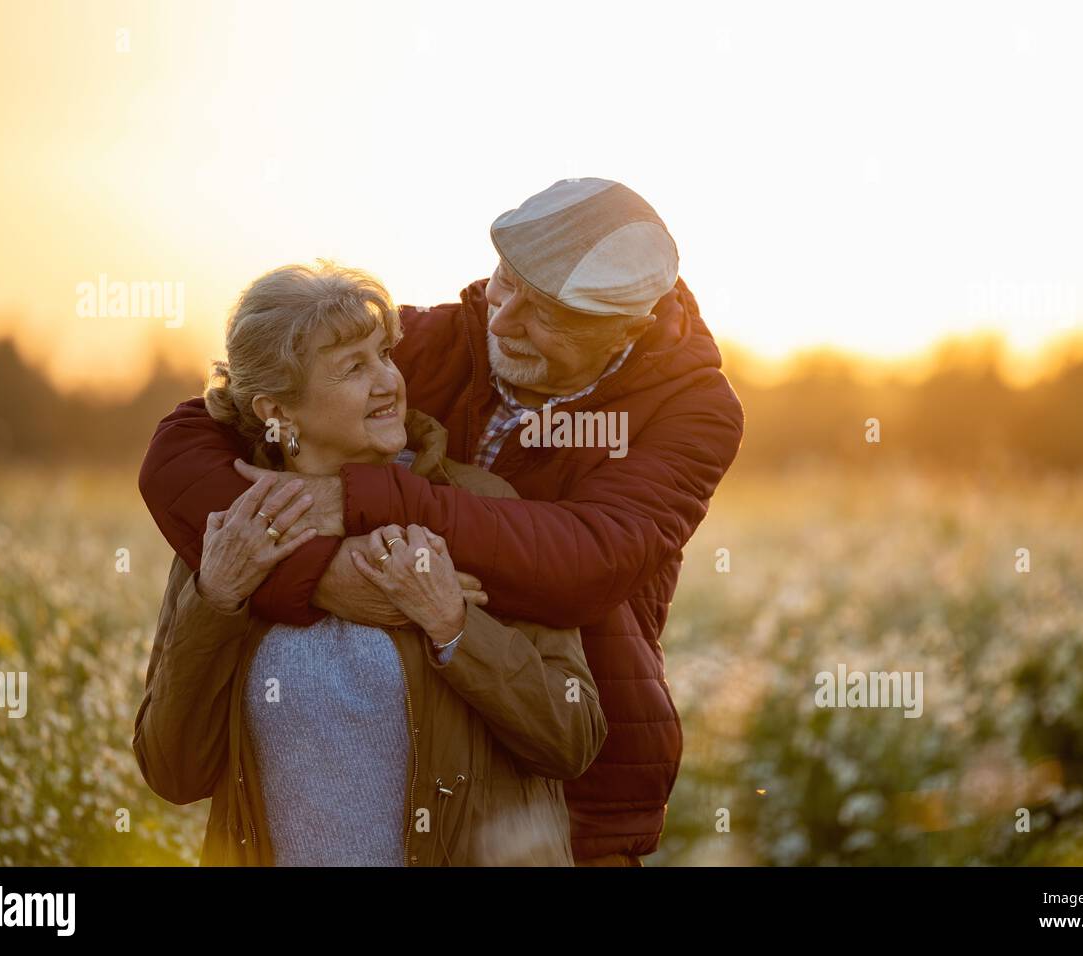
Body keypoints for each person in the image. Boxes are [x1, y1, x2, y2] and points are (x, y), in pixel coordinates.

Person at [139, 178, 745, 865]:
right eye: (505, 282)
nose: (503, 319)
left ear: (628, 328)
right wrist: (322, 574)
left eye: (546, 314)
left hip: (585, 798)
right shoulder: (428, 342)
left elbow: (586, 561)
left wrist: (369, 506)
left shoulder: (693, 410)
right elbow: (183, 444)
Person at [133, 262, 606, 866]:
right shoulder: (232, 536)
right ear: (278, 411)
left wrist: (454, 625)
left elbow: (572, 738)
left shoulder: (478, 508)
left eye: (384, 353)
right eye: (353, 367)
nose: (387, 381)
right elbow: (173, 774)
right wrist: (218, 598)